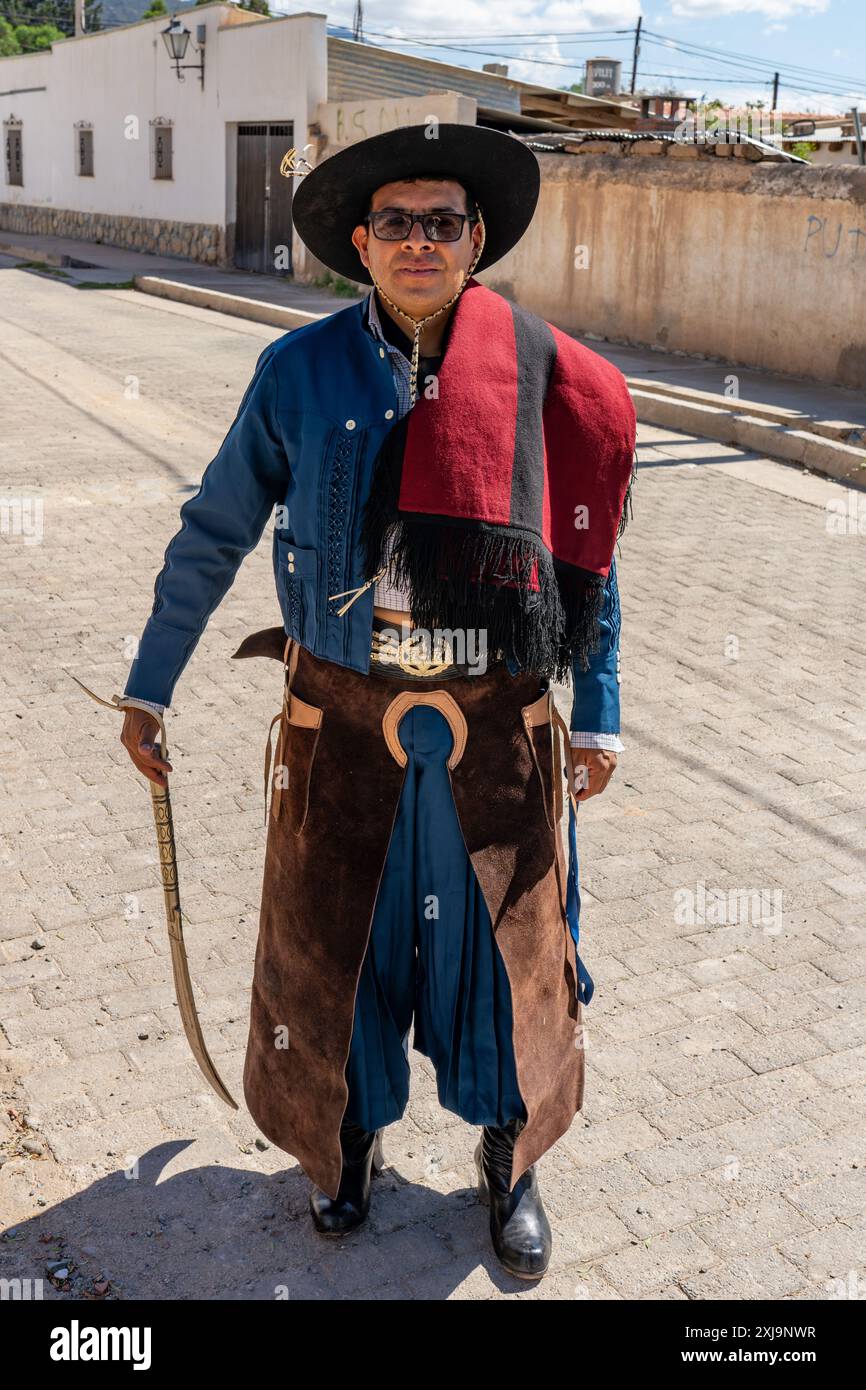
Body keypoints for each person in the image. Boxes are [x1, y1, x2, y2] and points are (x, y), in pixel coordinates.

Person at [118, 123, 636, 1281]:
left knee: (507, 956)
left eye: (440, 221)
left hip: (493, 730)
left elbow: (588, 557)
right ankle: (343, 1141)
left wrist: (594, 707)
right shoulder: (296, 372)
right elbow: (214, 530)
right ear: (359, 243)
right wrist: (148, 684)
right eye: (394, 222)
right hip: (339, 725)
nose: (417, 240)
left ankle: (511, 1155)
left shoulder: (540, 375)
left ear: (475, 241)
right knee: (332, 950)